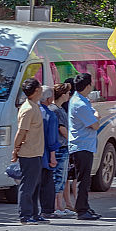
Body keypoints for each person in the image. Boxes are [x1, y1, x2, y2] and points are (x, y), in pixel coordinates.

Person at [12, 78, 48, 225]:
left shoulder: (34, 106)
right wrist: (15, 149)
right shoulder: (28, 109)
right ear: (36, 91)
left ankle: (34, 212)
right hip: (29, 152)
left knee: (35, 184)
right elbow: (21, 132)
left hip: (37, 151)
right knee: (28, 184)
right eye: (39, 88)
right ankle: (25, 214)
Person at [67, 73, 102, 220]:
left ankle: (85, 206)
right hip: (82, 146)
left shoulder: (79, 99)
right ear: (87, 86)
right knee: (83, 180)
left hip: (83, 145)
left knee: (84, 179)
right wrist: (97, 115)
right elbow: (94, 125)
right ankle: (81, 209)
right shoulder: (80, 104)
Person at [51, 82, 75, 217]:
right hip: (60, 147)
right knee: (58, 177)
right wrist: (72, 138)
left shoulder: (60, 109)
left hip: (63, 146)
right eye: (67, 93)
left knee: (62, 177)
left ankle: (60, 205)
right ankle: (56, 206)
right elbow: (62, 128)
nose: (69, 95)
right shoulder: (56, 110)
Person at [38, 85, 60, 218]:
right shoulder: (50, 115)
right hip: (46, 153)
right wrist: (53, 156)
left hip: (33, 152)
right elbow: (52, 138)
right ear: (49, 98)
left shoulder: (34, 111)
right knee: (47, 182)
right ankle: (47, 210)